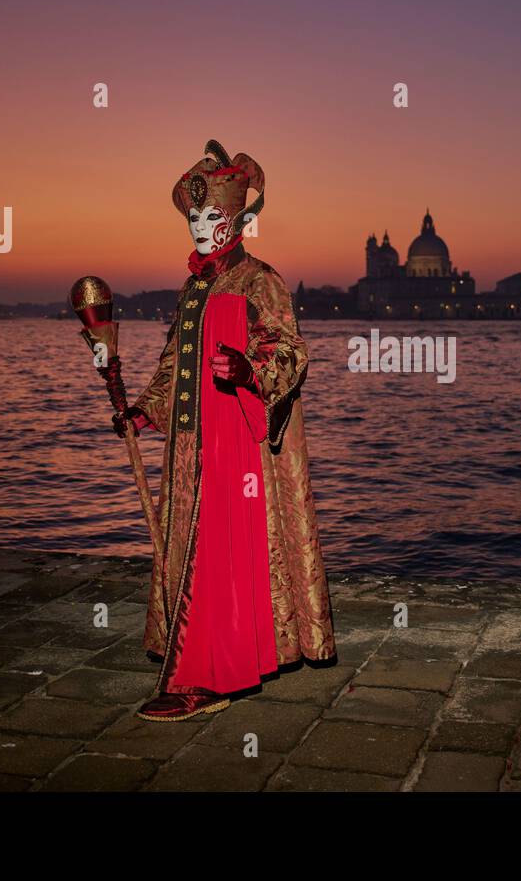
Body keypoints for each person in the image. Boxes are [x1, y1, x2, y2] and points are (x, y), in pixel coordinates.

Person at [115, 139, 336, 721]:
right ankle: (196, 659)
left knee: (222, 553)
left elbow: (291, 352)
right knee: (193, 549)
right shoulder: (193, 289)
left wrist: (249, 369)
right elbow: (174, 367)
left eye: (211, 216)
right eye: (194, 217)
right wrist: (144, 411)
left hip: (236, 444)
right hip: (188, 448)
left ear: (237, 220)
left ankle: (214, 674)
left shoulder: (261, 280)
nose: (199, 227)